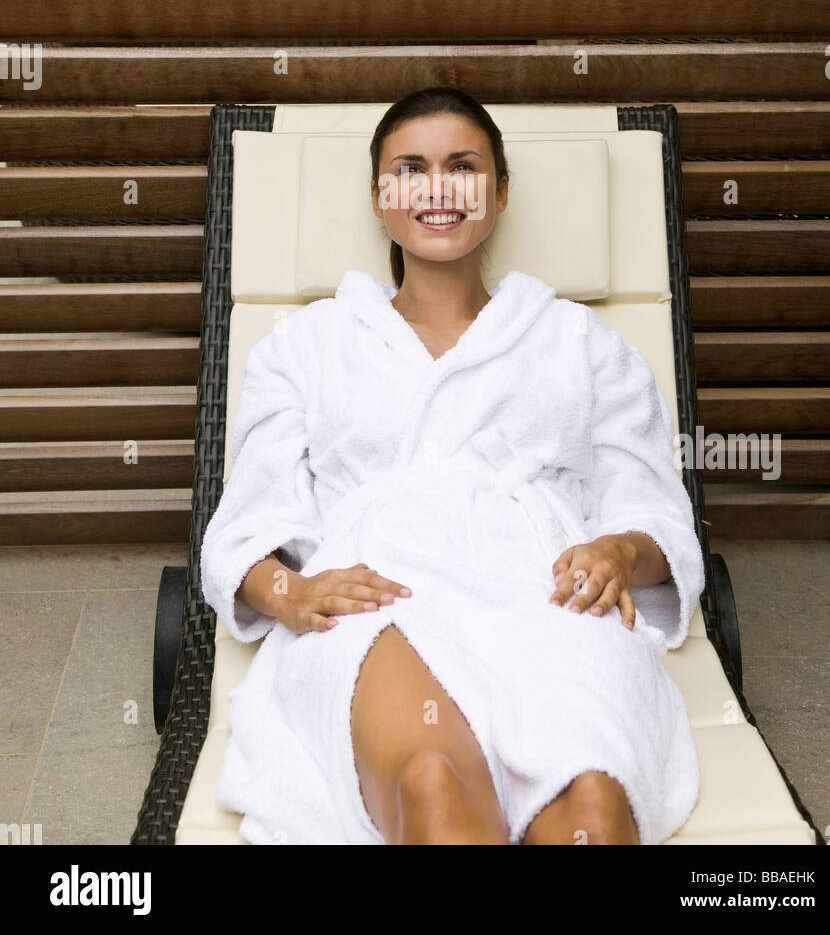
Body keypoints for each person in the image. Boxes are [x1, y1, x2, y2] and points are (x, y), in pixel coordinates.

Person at [200, 87, 705, 846]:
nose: (437, 188)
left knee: (592, 804)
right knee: (430, 783)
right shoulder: (304, 345)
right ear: (379, 197)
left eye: (462, 167)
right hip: (380, 590)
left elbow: (654, 510)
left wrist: (617, 552)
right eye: (410, 168)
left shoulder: (580, 342)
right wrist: (293, 590)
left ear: (499, 193)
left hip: (550, 589)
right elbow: (246, 524)